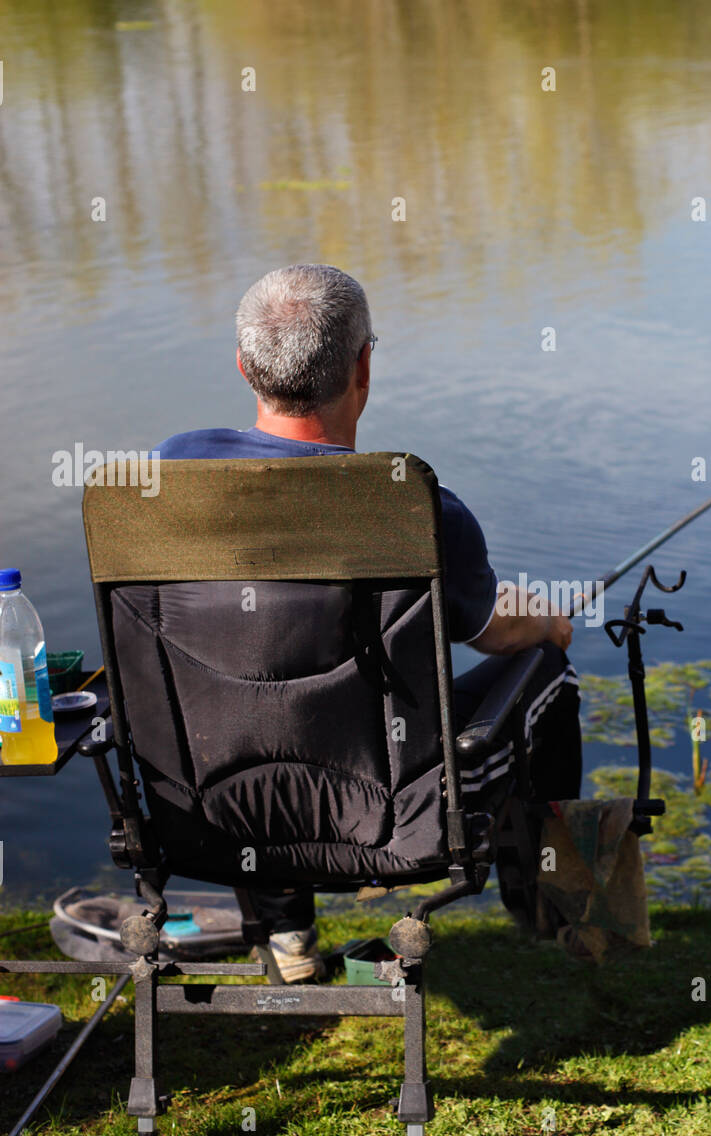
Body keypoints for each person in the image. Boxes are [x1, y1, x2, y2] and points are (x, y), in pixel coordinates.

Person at [155, 264, 581, 981]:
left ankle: (289, 935)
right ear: (364, 365)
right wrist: (548, 628)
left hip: (206, 811)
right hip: (391, 821)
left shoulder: (169, 479)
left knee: (245, 702)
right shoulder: (414, 508)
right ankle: (552, 911)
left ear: (242, 366)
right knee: (547, 677)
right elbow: (496, 634)